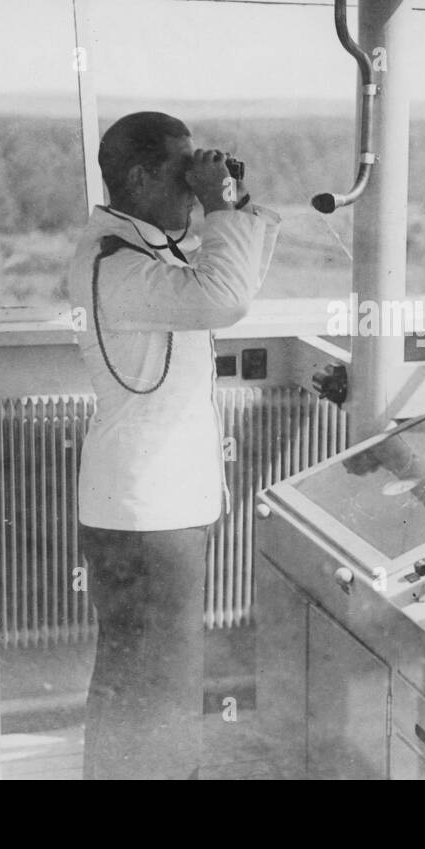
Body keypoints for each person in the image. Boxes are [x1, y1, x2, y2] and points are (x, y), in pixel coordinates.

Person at [66, 111, 280, 779]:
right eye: (179, 170)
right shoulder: (117, 263)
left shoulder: (140, 249)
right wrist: (216, 202)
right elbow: (225, 297)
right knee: (155, 686)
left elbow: (236, 272)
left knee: (145, 679)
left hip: (156, 504)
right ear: (137, 176)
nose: (191, 187)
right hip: (147, 508)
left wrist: (231, 201)